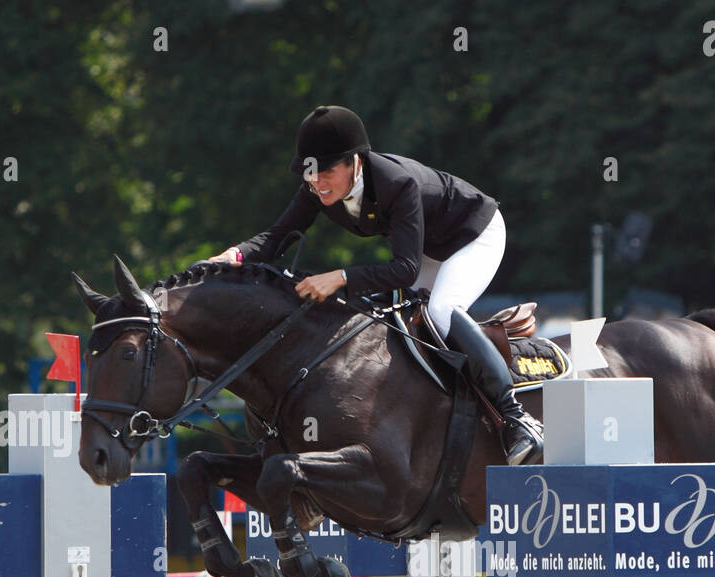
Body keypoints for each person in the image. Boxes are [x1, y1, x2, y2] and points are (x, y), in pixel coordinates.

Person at [211, 105, 542, 465]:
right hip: (428, 248)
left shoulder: (396, 183)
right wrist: (235, 257)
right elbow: (277, 237)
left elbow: (403, 269)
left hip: (474, 234)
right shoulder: (316, 187)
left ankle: (516, 420)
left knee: (441, 312)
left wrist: (340, 277)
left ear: (355, 161)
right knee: (391, 318)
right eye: (309, 173)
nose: (317, 182)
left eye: (326, 171)